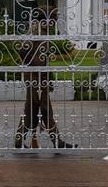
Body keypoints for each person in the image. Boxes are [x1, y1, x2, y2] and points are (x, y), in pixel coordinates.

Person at [13, 10, 77, 149]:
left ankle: (20, 141)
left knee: (32, 112)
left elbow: (44, 59)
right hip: (35, 79)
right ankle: (57, 142)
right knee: (43, 112)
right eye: (53, 19)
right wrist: (33, 65)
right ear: (45, 19)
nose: (54, 23)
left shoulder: (42, 33)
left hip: (41, 80)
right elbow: (24, 52)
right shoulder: (35, 33)